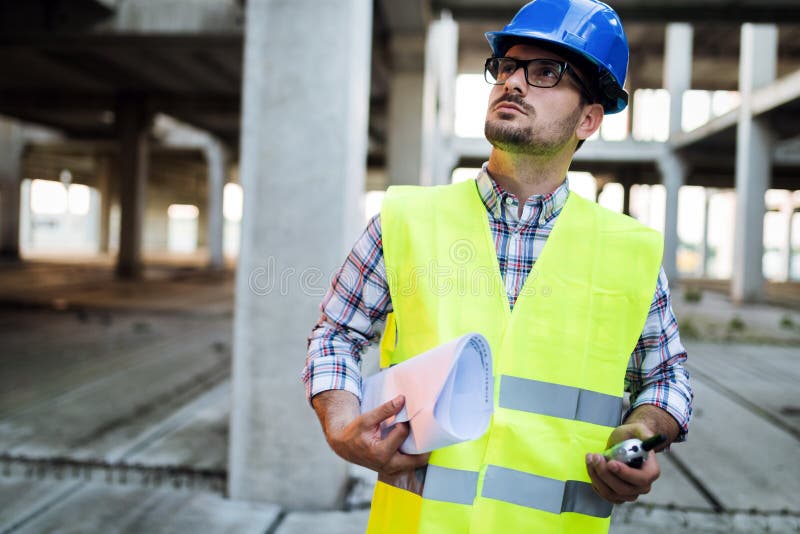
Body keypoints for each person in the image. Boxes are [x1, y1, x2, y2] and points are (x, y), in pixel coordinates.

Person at [303, 0, 693, 532]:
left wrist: (640, 437)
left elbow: (667, 377)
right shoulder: (406, 219)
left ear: (589, 118)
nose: (513, 82)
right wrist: (341, 423)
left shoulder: (632, 251)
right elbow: (337, 333)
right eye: (506, 66)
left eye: (546, 72)